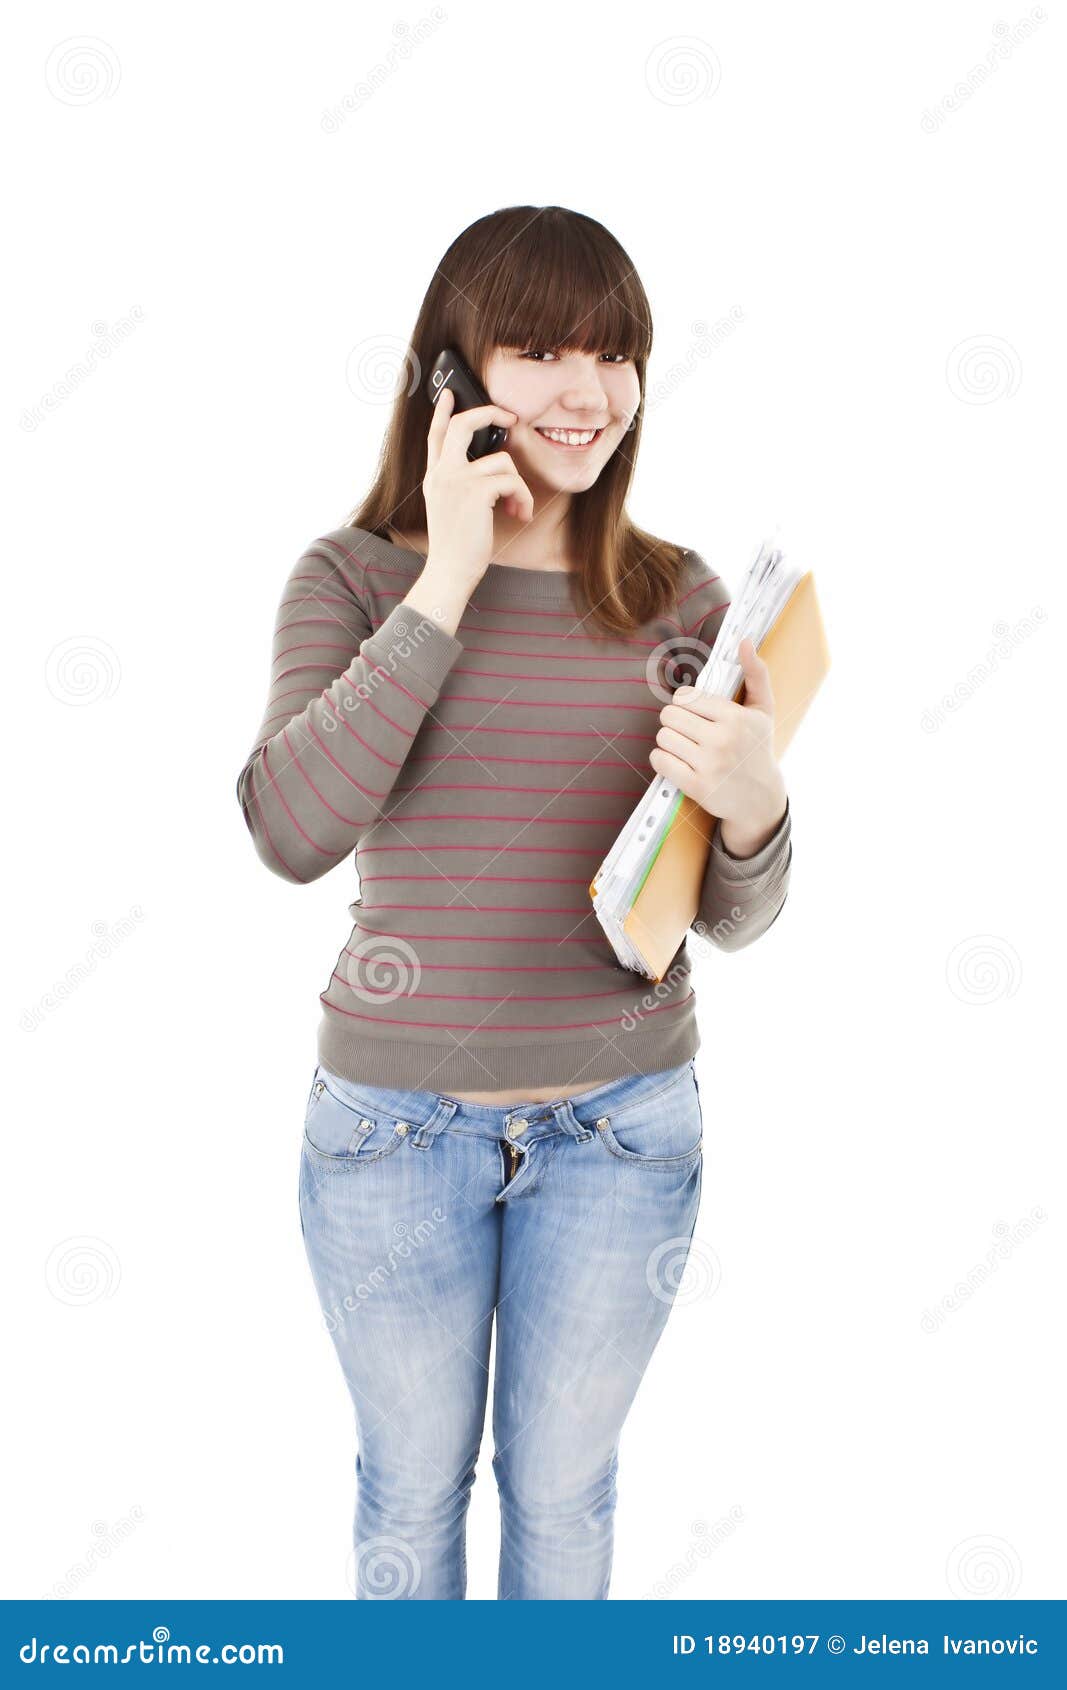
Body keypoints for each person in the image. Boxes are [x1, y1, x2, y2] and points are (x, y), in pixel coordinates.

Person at [236, 205, 792, 1600]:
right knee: (409, 1495)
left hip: (622, 1130)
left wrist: (758, 802)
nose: (586, 391)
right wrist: (449, 576)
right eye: (540, 349)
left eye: (615, 354)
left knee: (564, 1496)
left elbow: (728, 915)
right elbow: (291, 829)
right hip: (391, 1133)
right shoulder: (356, 577)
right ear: (453, 379)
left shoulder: (683, 599)